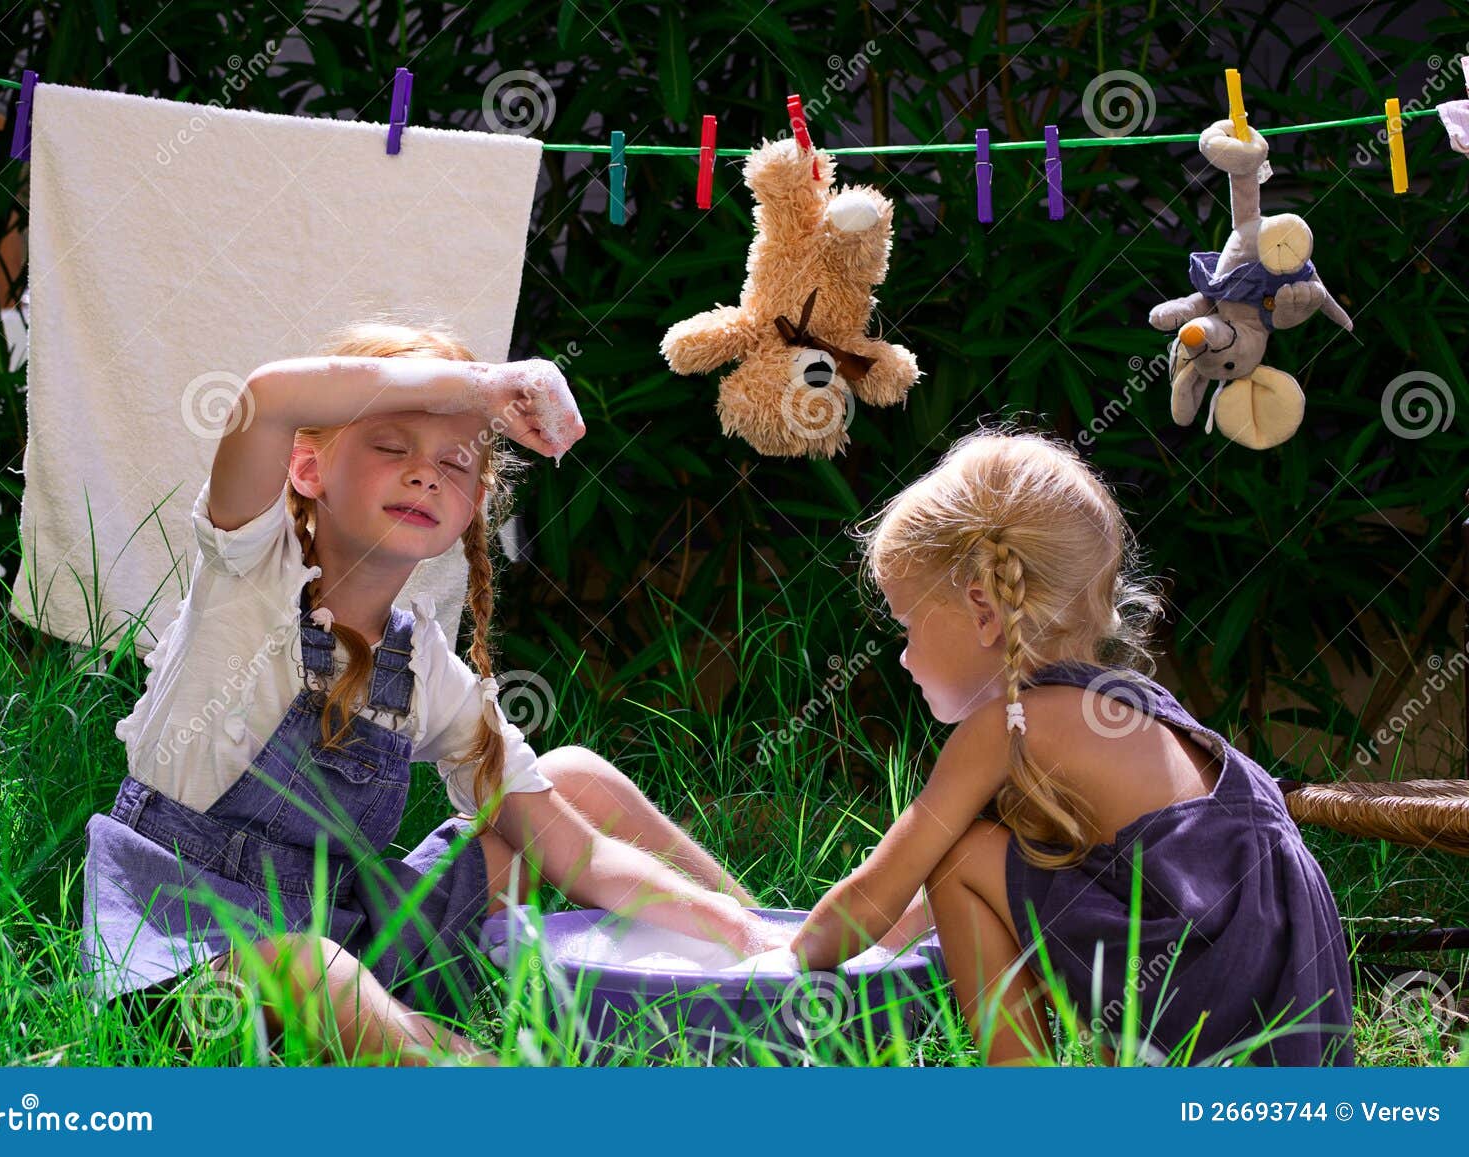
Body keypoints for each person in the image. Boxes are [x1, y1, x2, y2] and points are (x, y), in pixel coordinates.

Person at [82, 320, 785, 1065]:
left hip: (348, 930)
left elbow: (580, 852)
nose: (425, 475)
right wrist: (483, 388)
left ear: (471, 508)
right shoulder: (250, 575)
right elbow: (267, 396)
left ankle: (776, 963)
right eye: (391, 447)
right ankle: (475, 1077)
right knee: (312, 969)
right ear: (308, 467)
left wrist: (728, 925)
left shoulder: (421, 667)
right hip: (190, 955)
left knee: (576, 779)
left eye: (455, 462)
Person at [789, 427, 1354, 1066]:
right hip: (1291, 1014)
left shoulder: (1009, 724)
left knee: (957, 859)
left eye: (909, 625)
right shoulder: (1128, 706)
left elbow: (877, 895)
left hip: (1204, 989)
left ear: (982, 609)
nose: (905, 656)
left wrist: (780, 957)